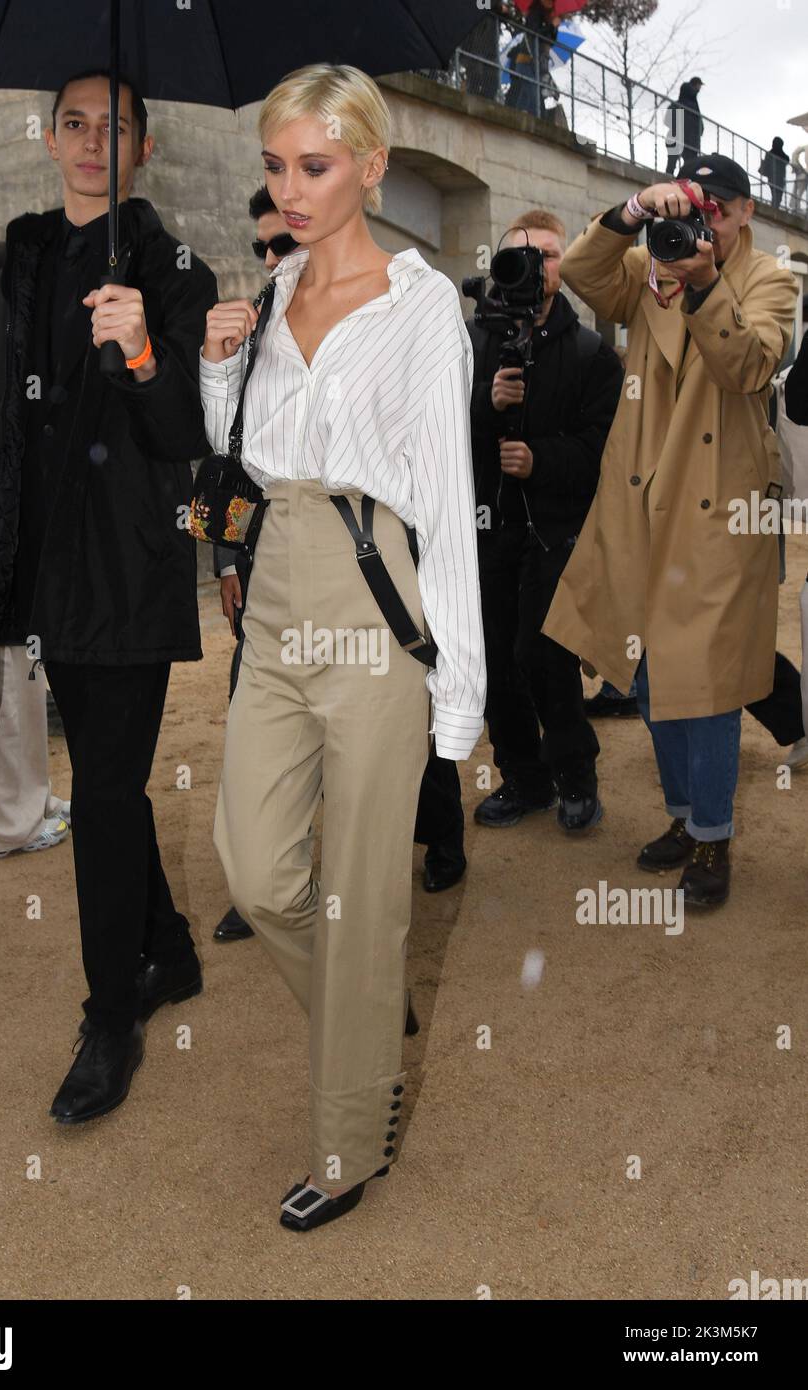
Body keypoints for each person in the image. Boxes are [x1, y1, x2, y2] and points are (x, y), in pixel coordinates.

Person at [200, 64, 485, 1230]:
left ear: (369, 165)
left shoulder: (422, 308)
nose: (291, 188)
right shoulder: (268, 293)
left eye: (312, 165)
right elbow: (245, 454)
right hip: (272, 599)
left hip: (374, 601)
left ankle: (344, 1143)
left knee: (362, 897)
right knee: (257, 868)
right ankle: (364, 1008)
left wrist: (455, 702)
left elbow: (445, 499)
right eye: (275, 166)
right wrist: (222, 365)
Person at [0, 71, 218, 1121]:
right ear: (50, 139)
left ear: (144, 148)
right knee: (109, 781)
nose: (95, 142)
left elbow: (191, 433)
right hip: (50, 565)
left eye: (117, 127)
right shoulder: (18, 265)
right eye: (77, 124)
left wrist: (143, 353)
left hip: (134, 566)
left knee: (99, 791)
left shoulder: (174, 269)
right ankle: (172, 949)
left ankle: (110, 1012)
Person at [542, 153, 798, 908]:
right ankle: (685, 820)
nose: (700, 219)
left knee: (708, 686)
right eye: (687, 205)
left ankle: (713, 837)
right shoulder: (645, 264)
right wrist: (628, 215)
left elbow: (749, 367)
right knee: (651, 676)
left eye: (715, 205)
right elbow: (583, 274)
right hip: (640, 501)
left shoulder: (769, 281)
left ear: (745, 211)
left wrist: (705, 283)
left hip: (720, 511)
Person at [470, 209, 623, 833]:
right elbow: (431, 433)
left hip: (557, 529)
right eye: (522, 253)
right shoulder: (472, 341)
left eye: (550, 254)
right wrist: (487, 402)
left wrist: (540, 459)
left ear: (565, 267)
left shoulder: (592, 354)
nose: (536, 265)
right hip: (484, 527)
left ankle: (575, 776)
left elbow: (601, 450)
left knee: (544, 653)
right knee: (492, 660)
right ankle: (523, 777)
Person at [0, 239, 72, 860]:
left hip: (16, 553)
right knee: (5, 696)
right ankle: (8, 825)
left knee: (21, 694)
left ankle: (23, 805)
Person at [210, 185, 297, 944]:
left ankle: (435, 834)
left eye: (283, 247)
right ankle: (256, 880)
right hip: (263, 568)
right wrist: (226, 561)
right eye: (260, 249)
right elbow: (226, 459)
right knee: (252, 727)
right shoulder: (253, 324)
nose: (269, 261)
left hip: (359, 577)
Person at [664, 78, 704, 176]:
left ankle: (668, 179)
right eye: (698, 86)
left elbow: (667, 120)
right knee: (689, 168)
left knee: (672, 166)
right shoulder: (694, 109)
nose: (699, 89)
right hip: (690, 143)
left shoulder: (676, 105)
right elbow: (701, 128)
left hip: (678, 139)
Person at [760, 138, 789, 212]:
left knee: (776, 195)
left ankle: (774, 208)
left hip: (773, 177)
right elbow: (786, 161)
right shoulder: (784, 156)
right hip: (779, 179)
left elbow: (767, 163)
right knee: (777, 195)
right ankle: (775, 208)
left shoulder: (770, 153)